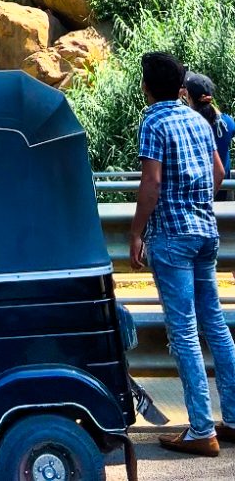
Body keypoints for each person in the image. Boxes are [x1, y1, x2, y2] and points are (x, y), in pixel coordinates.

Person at [130, 52, 235, 456]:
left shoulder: (153, 120)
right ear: (178, 87)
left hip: (172, 237)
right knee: (216, 325)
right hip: (206, 233)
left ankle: (201, 431)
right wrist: (197, 205)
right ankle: (234, 417)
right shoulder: (197, 117)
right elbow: (219, 173)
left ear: (145, 86)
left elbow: (151, 183)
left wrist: (136, 232)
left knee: (186, 333)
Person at [183, 72, 235, 202]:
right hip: (222, 194)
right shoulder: (227, 123)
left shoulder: (187, 124)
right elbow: (216, 116)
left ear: (188, 96)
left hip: (194, 197)